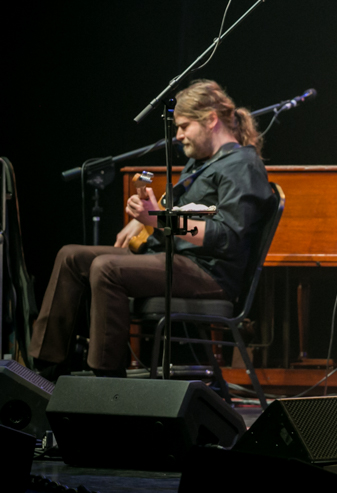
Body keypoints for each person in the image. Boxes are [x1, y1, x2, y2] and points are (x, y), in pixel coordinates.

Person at [31, 80, 276, 379]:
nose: (178, 135)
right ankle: (44, 372)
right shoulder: (199, 163)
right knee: (71, 256)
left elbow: (228, 238)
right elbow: (180, 214)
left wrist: (158, 220)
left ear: (211, 120)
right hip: (176, 259)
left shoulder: (241, 165)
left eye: (184, 126)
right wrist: (146, 216)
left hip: (209, 272)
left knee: (106, 268)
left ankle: (106, 384)